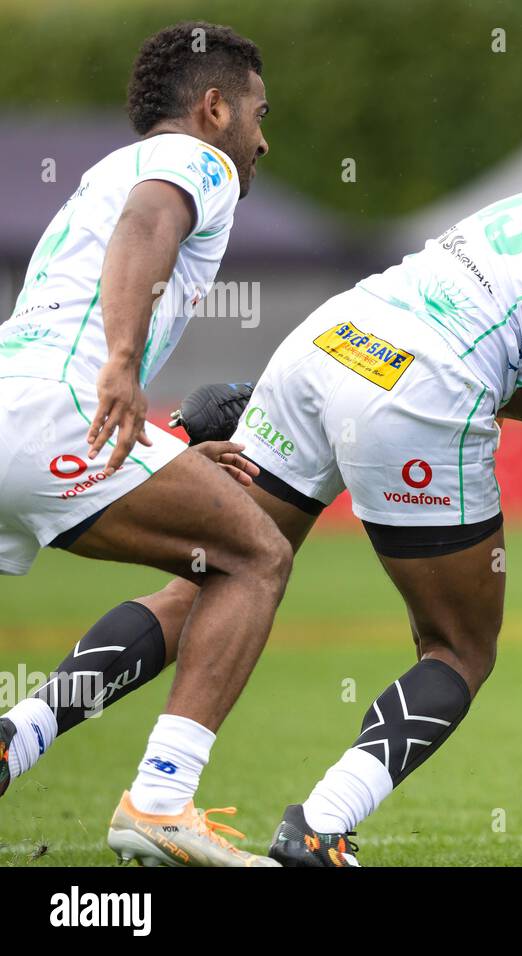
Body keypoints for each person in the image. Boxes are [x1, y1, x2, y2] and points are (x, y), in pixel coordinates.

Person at [2, 150, 522, 866]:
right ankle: (321, 830)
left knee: (206, 581)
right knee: (459, 646)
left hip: (335, 335)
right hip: (423, 382)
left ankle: (21, 735)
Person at [0, 22, 286, 866]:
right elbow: (147, 226)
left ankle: (20, 739)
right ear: (212, 108)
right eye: (258, 113)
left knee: (212, 551)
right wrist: (124, 366)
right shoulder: (197, 163)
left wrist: (160, 447)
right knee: (253, 558)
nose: (263, 138)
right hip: (54, 410)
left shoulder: (100, 173)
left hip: (17, 405)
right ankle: (161, 801)